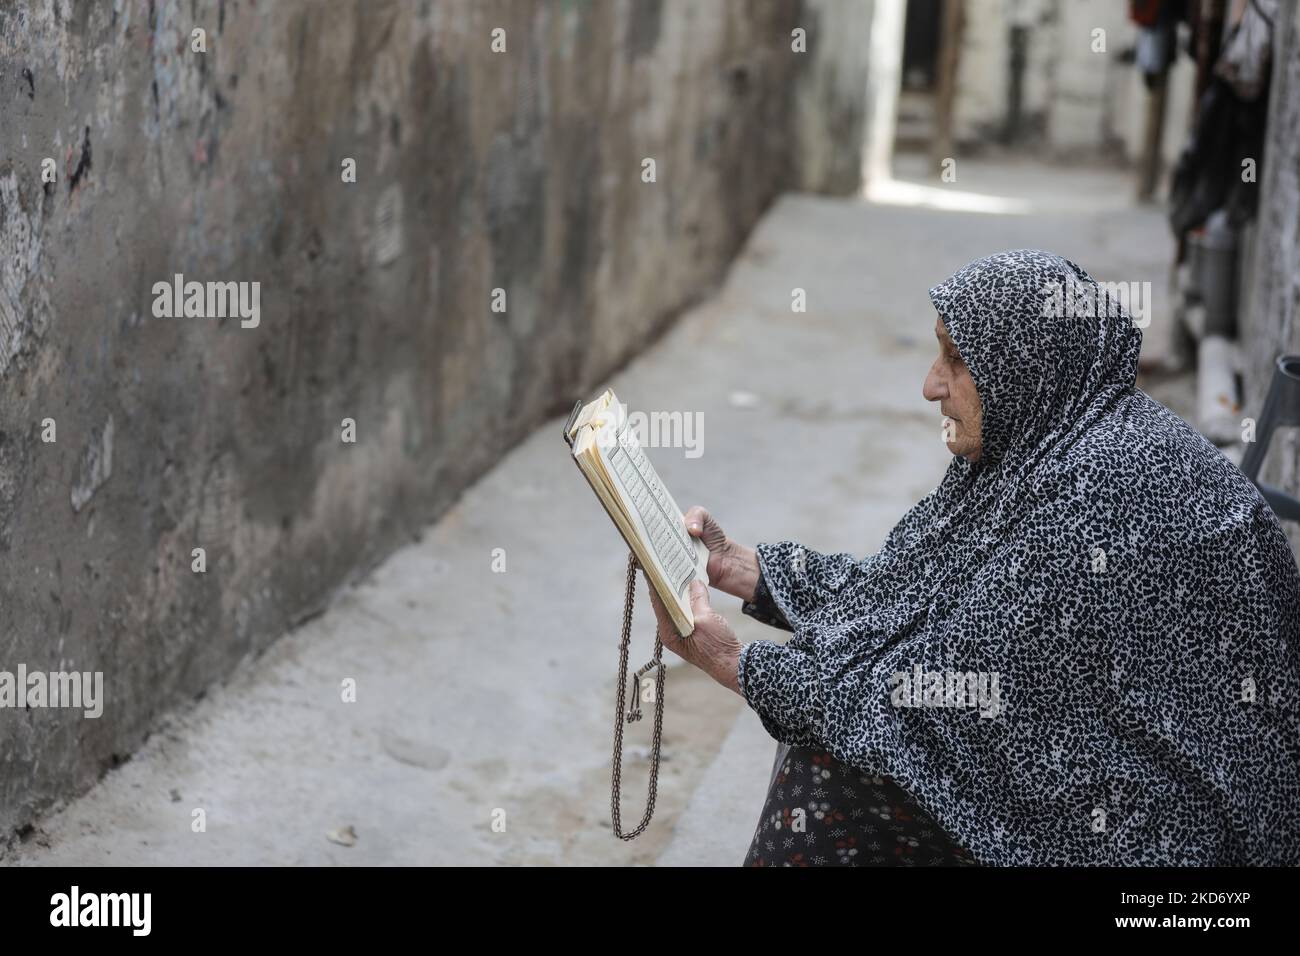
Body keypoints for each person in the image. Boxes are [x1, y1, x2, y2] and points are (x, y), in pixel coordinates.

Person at [645, 249, 1300, 866]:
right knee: (842, 735)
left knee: (841, 771)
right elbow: (908, 597)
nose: (932, 386)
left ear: (1024, 365)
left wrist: (734, 663)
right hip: (1105, 755)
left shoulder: (1098, 494)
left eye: (956, 361)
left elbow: (928, 701)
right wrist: (746, 570)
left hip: (1173, 830)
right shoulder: (1047, 438)